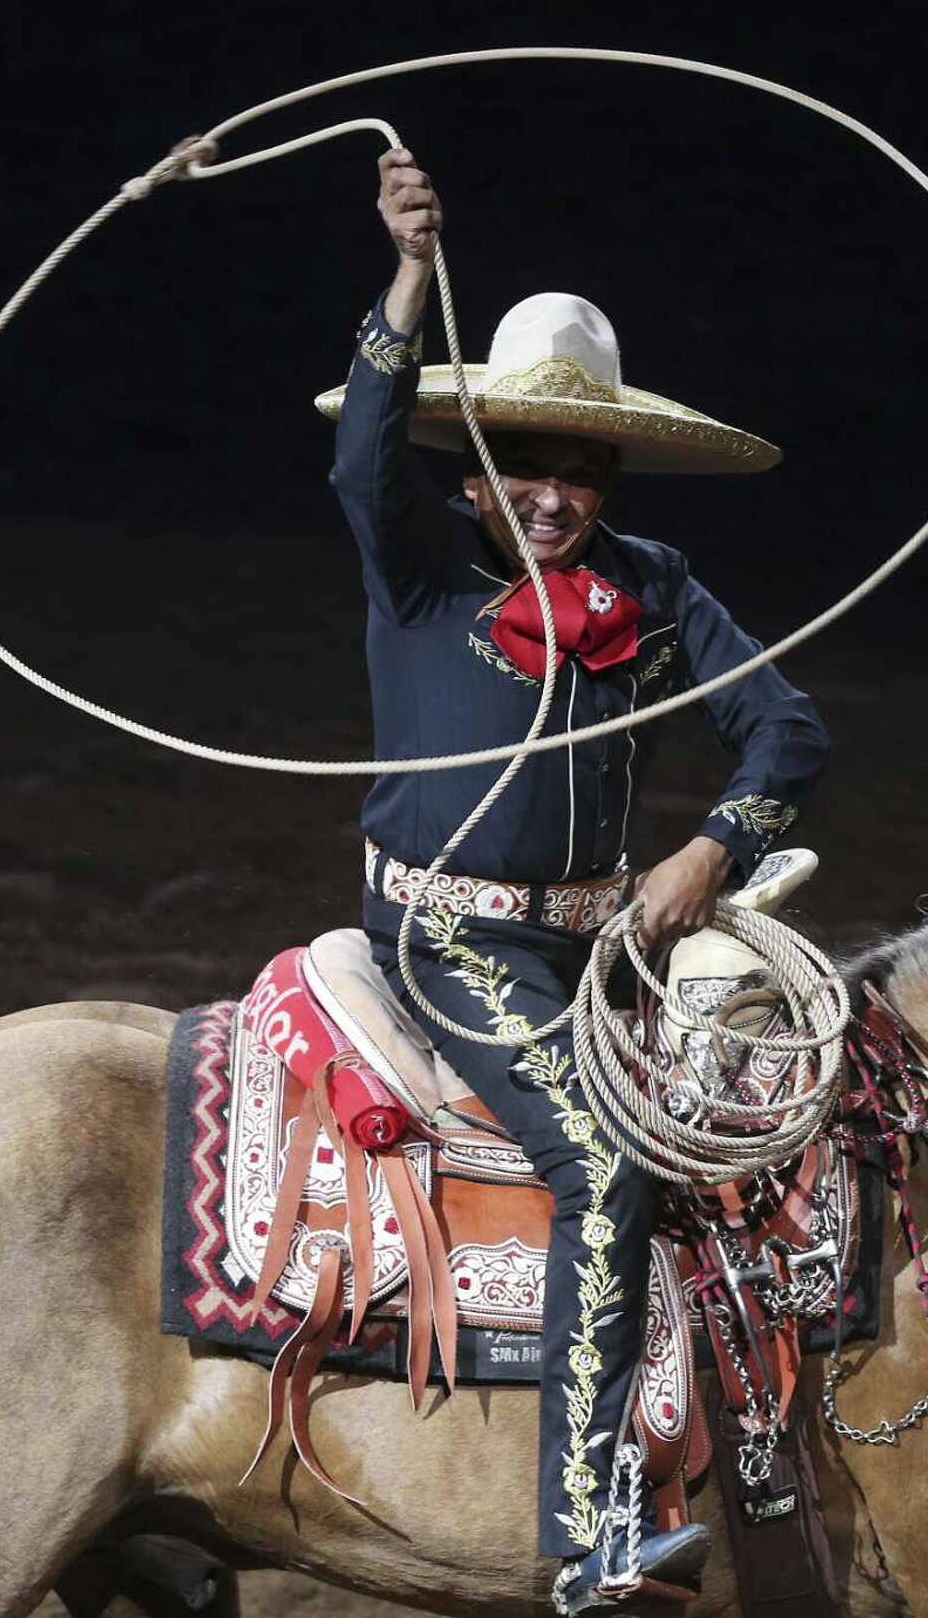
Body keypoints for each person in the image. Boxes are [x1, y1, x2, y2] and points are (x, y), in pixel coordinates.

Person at [320, 147, 831, 1613]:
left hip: (605, 944)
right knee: (600, 1168)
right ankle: (584, 1524)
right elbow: (362, 456)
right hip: (447, 937)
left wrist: (712, 845)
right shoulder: (424, 568)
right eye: (526, 463)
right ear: (478, 464)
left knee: (774, 1145)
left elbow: (786, 725)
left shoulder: (658, 591)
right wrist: (412, 276)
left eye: (583, 469)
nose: (552, 496)